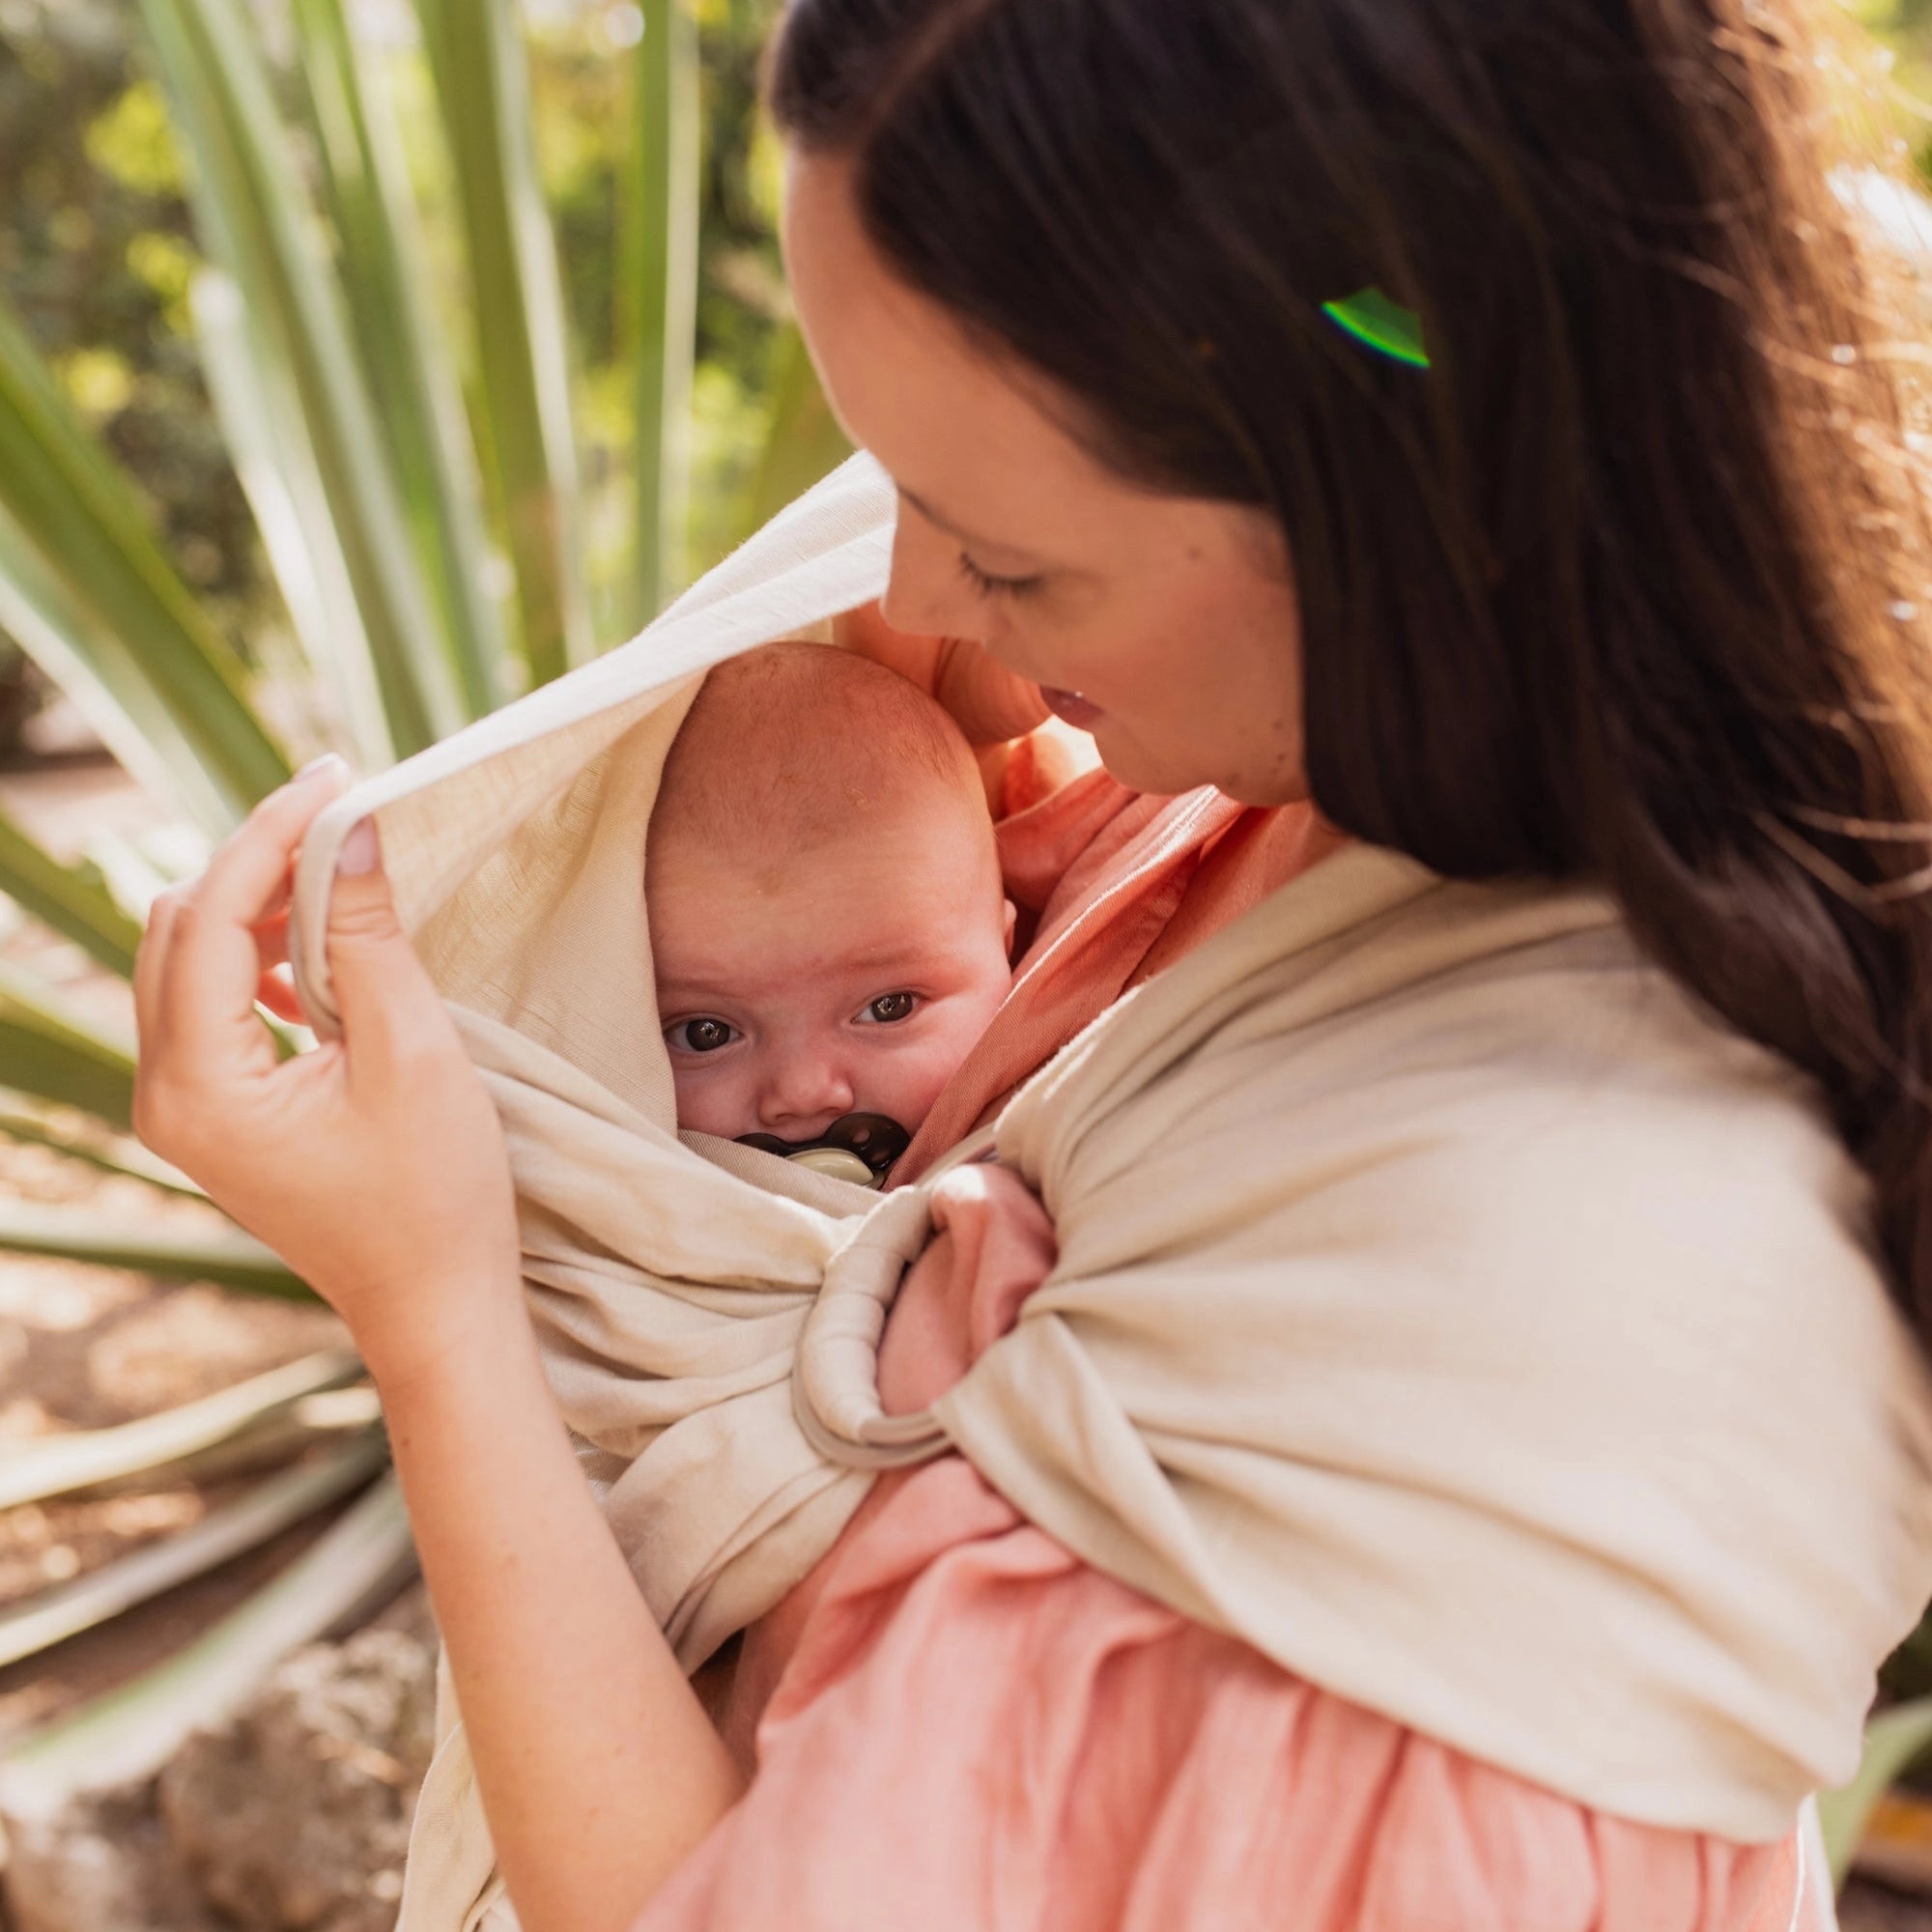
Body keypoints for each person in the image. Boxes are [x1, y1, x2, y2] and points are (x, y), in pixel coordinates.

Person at [131, 2, 1932, 1928]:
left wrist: (434, 1302)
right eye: (880, 475)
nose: (898, 600)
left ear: (1380, 502)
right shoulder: (1321, 765)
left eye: (1004, 555)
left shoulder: (1507, 1354)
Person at [647, 640, 1015, 1180]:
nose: (802, 1095)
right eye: (707, 1033)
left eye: (889, 1006)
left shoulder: (1061, 1118)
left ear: (1009, 951)